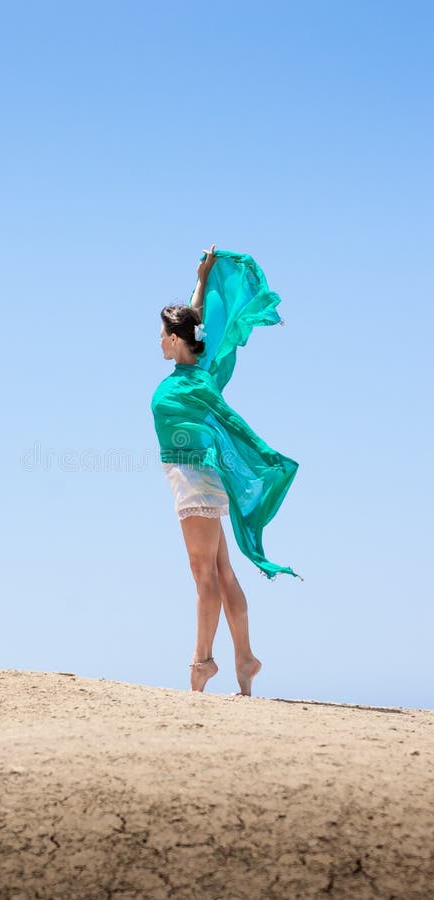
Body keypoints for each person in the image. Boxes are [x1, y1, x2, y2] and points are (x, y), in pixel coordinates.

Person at [151, 245, 301, 695]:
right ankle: (246, 659)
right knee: (222, 572)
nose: (158, 340)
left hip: (194, 480)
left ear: (175, 340)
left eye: (162, 334)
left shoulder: (196, 384)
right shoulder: (200, 370)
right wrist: (202, 278)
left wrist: (265, 456)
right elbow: (196, 316)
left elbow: (232, 423)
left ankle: (202, 663)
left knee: (204, 576)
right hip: (200, 479)